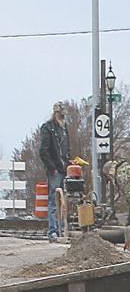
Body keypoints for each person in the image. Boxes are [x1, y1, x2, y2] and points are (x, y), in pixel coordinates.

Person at [38, 102, 71, 242]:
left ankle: (61, 229)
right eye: (61, 114)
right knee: (53, 199)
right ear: (56, 113)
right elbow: (43, 151)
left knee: (64, 200)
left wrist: (69, 163)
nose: (62, 117)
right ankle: (53, 230)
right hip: (55, 170)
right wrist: (52, 168)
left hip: (64, 169)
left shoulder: (64, 129)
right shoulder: (48, 128)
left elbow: (66, 148)